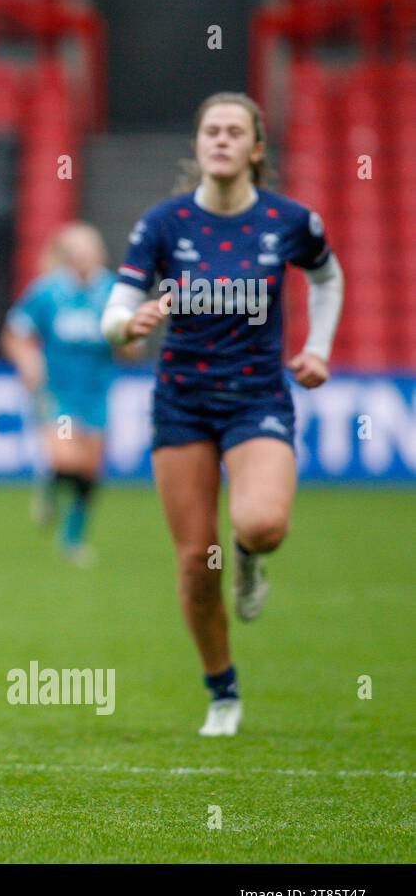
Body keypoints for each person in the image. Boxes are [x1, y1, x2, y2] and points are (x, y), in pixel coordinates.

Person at [101, 92, 344, 736]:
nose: (222, 140)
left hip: (256, 397)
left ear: (256, 148)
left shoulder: (290, 221)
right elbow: (113, 319)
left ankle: (250, 557)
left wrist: (317, 348)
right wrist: (131, 322)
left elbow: (327, 278)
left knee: (262, 524)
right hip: (181, 401)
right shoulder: (163, 224)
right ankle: (222, 690)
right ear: (199, 142)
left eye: (236, 131)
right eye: (212, 130)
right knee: (193, 560)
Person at [1, 222, 127, 565]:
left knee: (89, 469)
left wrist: (127, 336)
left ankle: (72, 539)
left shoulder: (114, 292)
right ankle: (50, 485)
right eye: (78, 251)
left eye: (90, 250)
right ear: (68, 256)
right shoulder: (48, 292)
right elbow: (15, 333)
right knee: (65, 459)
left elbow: (132, 349)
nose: (85, 257)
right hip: (57, 392)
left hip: (96, 392)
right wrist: (28, 361)